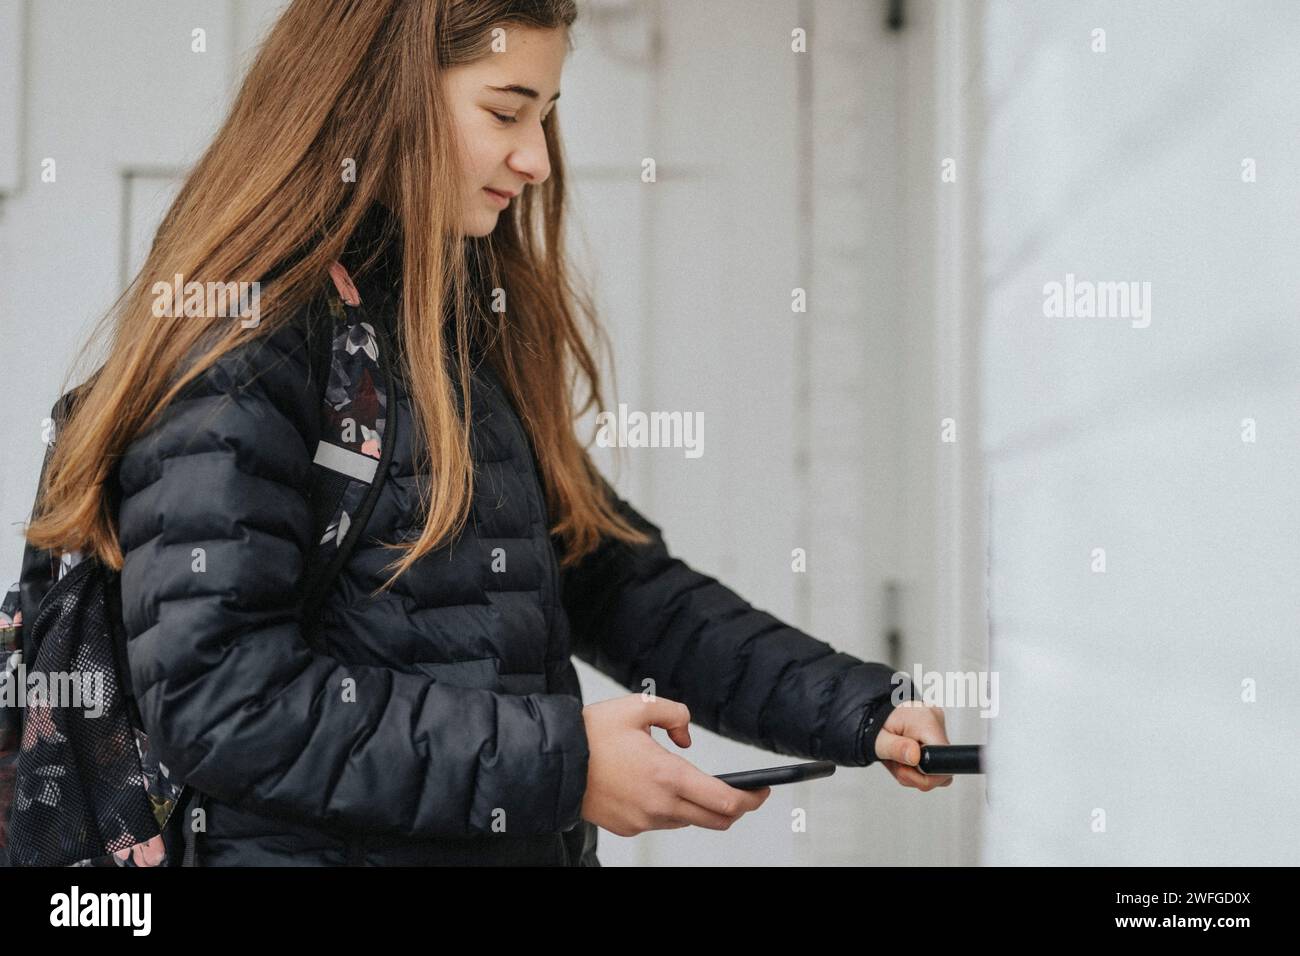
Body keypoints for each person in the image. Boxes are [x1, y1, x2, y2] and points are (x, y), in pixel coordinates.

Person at [22, 0, 950, 867]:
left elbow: (616, 580)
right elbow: (222, 703)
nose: (539, 158)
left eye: (545, 115)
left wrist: (858, 710)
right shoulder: (248, 340)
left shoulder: (448, 322)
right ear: (377, 99)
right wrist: (566, 762)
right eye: (507, 113)